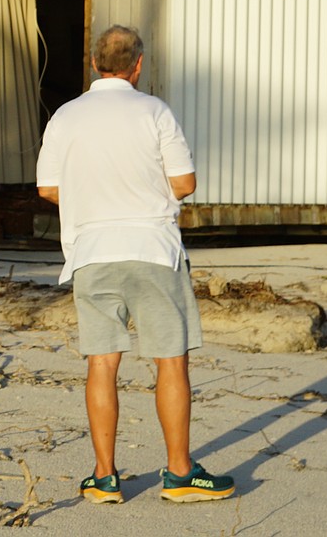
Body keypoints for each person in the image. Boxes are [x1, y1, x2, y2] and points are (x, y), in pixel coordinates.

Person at [36, 25, 235, 505]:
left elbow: (48, 188)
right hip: (152, 250)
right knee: (171, 360)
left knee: (102, 363)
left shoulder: (66, 115)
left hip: (92, 252)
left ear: (93, 63)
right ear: (138, 65)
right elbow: (184, 183)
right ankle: (181, 472)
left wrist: (91, 199)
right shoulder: (154, 111)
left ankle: (104, 478)